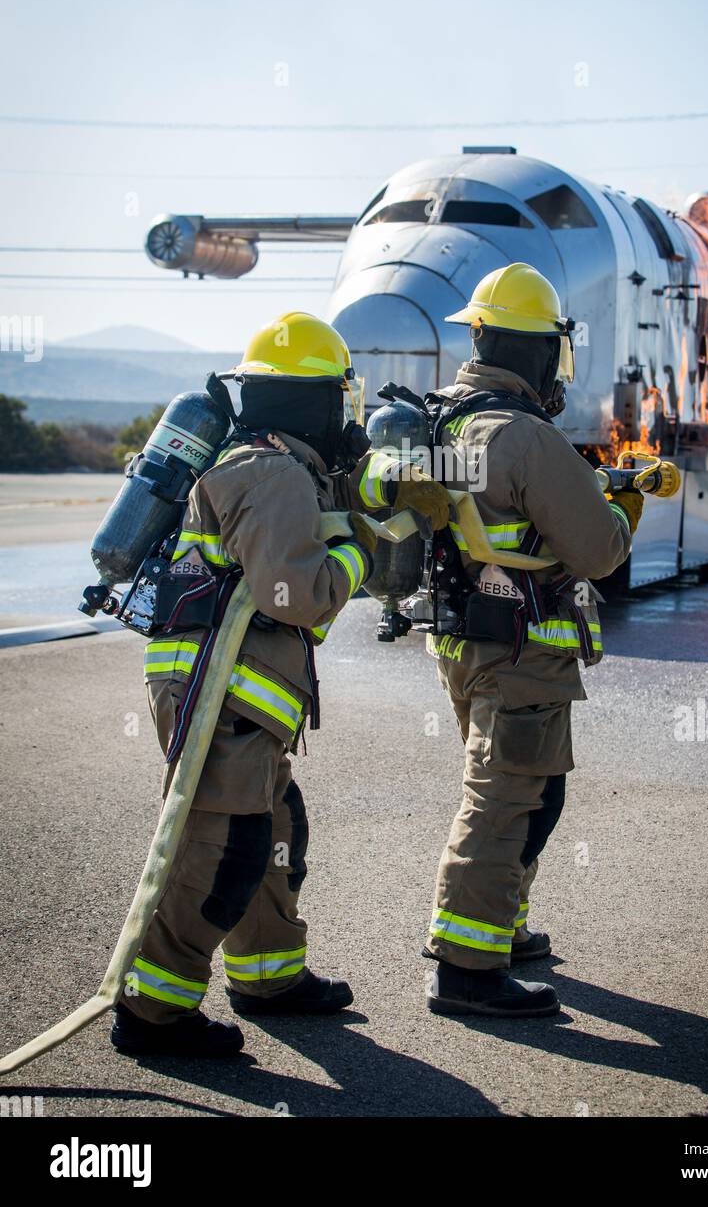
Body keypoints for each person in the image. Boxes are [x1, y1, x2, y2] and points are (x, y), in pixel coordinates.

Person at [112, 311, 448, 1056]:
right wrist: (359, 549)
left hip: (232, 691)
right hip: (219, 693)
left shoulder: (269, 462)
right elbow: (293, 595)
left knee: (273, 826)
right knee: (224, 847)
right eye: (339, 402)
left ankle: (268, 976)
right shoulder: (272, 473)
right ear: (319, 401)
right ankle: (152, 1012)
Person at [422, 264, 642, 1017]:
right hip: (522, 655)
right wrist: (622, 507)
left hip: (461, 644)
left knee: (519, 789)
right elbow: (599, 552)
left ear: (478, 338)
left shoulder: (444, 422)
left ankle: (501, 928)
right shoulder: (530, 438)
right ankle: (465, 968)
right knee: (510, 797)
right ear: (541, 353)